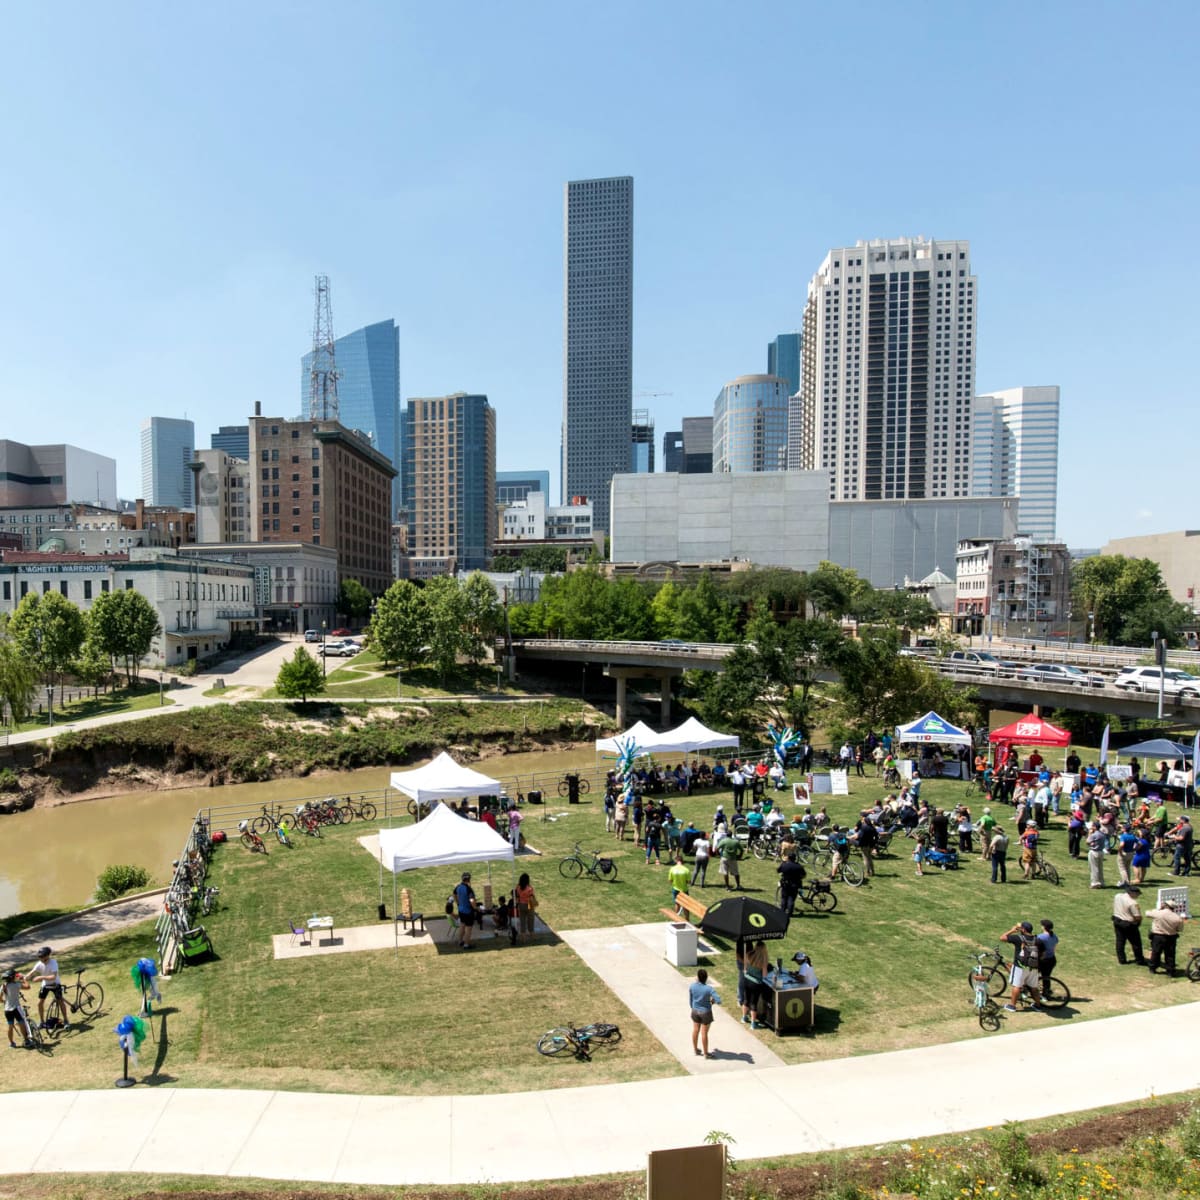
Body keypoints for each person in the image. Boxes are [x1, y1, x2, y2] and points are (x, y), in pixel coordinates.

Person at [1001, 921, 1041, 1012]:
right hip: (1033, 967)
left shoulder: (1019, 938)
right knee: (1033, 987)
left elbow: (1002, 938)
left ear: (1023, 929)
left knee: (1017, 986)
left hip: (1020, 967)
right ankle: (1038, 1005)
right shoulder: (1037, 939)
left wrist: (1012, 930)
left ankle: (1012, 1006)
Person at [24, 947, 67, 1029]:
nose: (41, 958)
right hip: (45, 985)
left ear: (48, 955)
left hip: (55, 984)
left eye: (43, 956)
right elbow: (32, 973)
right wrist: (25, 977)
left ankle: (66, 1020)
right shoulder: (39, 963)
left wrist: (41, 977)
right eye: (39, 956)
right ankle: (42, 1022)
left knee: (60, 1001)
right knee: (40, 1003)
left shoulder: (53, 963)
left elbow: (54, 976)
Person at [1146, 898, 1188, 976]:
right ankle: (1170, 971)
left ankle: (1152, 968)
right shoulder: (1177, 918)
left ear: (1165, 905)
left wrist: (1158, 909)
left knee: (1156, 952)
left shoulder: (1158, 913)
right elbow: (1180, 929)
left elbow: (1147, 913)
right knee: (1170, 954)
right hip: (1171, 937)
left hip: (1158, 936)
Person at [688, 967, 721, 1058]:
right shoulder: (709, 989)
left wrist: (693, 1007)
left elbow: (690, 1000)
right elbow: (719, 1000)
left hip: (695, 1011)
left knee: (695, 1030)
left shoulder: (692, 986)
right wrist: (712, 1001)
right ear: (706, 978)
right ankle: (706, 1054)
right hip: (706, 1013)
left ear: (698, 977)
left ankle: (695, 1050)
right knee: (704, 1033)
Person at [1112, 884, 1147, 965]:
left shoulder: (1118, 896)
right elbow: (1137, 916)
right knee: (1136, 943)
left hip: (1117, 921)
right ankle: (1139, 960)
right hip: (1128, 924)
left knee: (1120, 941)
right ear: (1132, 893)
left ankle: (1121, 960)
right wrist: (1138, 923)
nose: (1138, 895)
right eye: (1137, 894)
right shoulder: (1133, 903)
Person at [740, 940, 769, 1030]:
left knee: (746, 1000)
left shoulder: (748, 955)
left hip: (746, 979)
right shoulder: (763, 961)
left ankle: (744, 1017)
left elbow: (745, 968)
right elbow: (764, 975)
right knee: (753, 1003)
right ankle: (753, 1023)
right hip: (756, 984)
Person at [3, 968, 32, 1049]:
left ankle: (12, 1043)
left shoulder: (3, 986)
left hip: (7, 1010)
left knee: (10, 1026)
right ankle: (26, 1040)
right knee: (21, 1022)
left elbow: (0, 998)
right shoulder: (16, 985)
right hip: (16, 1008)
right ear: (12, 978)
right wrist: (23, 979)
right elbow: (28, 987)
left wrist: (3, 1001)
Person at [453, 873, 480, 949]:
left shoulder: (458, 887)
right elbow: (471, 900)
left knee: (462, 925)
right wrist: (475, 908)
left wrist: (457, 902)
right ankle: (466, 944)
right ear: (469, 879)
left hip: (461, 910)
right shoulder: (468, 889)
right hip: (468, 912)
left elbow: (454, 894)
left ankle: (460, 941)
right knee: (468, 928)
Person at [776, 851, 806, 917]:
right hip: (795, 884)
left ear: (788, 858)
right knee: (791, 899)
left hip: (785, 884)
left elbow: (778, 870)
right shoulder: (799, 866)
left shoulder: (784, 865)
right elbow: (804, 875)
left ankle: (782, 911)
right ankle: (790, 913)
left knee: (784, 898)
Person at [1036, 919, 1059, 999]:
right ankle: (1046, 991)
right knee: (1046, 977)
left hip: (1043, 960)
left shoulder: (1040, 937)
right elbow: (1054, 948)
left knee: (1033, 975)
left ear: (1044, 927)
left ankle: (1031, 991)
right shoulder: (1054, 936)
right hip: (1051, 959)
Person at [514, 872, 537, 943]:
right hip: (529, 905)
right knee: (530, 921)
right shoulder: (530, 888)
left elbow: (517, 896)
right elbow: (531, 897)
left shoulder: (518, 887)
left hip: (521, 905)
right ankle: (532, 936)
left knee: (522, 921)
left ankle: (523, 938)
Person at [1086, 821, 1108, 888]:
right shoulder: (1102, 834)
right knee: (1100, 867)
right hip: (1101, 852)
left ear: (1095, 827)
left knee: (1094, 868)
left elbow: (1087, 842)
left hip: (1094, 852)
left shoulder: (1094, 835)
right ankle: (1101, 882)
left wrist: (1089, 833)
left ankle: (1095, 883)